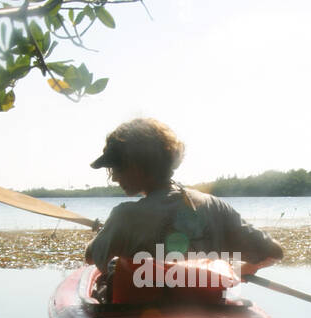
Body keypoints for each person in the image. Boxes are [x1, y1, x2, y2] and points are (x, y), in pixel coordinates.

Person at [84, 118, 283, 277]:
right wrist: (240, 270)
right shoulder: (215, 206)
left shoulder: (124, 217)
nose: (115, 177)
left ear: (138, 165)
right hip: (208, 315)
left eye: (116, 168)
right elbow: (274, 252)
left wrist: (105, 234)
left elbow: (91, 256)